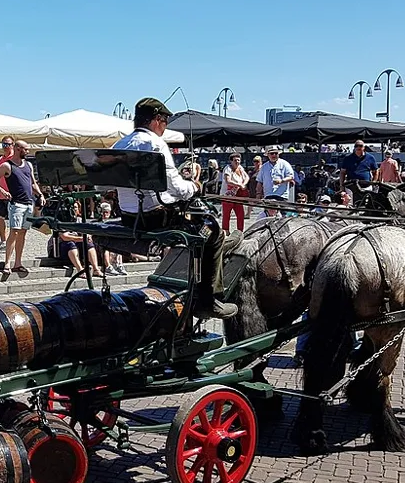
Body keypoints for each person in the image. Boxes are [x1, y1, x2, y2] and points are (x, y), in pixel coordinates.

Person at [110, 98, 237, 319]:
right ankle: (208, 299)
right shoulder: (156, 145)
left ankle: (220, 249)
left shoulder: (120, 145)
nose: (166, 126)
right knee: (212, 229)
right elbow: (177, 187)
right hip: (156, 218)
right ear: (157, 120)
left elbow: (107, 185)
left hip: (129, 216)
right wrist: (195, 186)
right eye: (166, 121)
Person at [0, 140, 44, 276]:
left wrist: (40, 194)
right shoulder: (6, 166)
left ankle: (18, 263)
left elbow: (32, 183)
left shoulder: (29, 165)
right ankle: (7, 263)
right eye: (26, 149)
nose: (28, 152)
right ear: (18, 149)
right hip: (16, 204)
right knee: (14, 232)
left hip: (28, 203)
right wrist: (2, 191)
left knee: (23, 233)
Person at [0, 136, 15, 254]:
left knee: (14, 221)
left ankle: (12, 243)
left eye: (8, 144)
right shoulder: (0, 160)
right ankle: (3, 241)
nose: (5, 147)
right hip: (1, 193)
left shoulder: (15, 158)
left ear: (13, 145)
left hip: (14, 194)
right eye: (3, 144)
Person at [257, 144, 295, 216]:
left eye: (276, 153)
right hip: (268, 195)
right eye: (272, 153)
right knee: (268, 216)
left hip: (281, 195)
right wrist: (258, 194)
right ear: (268, 155)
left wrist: (281, 181)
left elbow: (291, 176)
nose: (274, 155)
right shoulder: (264, 167)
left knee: (283, 216)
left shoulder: (285, 164)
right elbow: (260, 181)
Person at [338, 140, 378, 205]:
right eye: (356, 146)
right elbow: (342, 173)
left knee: (366, 205)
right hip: (351, 187)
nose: (358, 147)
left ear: (364, 147)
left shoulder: (370, 158)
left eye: (360, 146)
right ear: (354, 147)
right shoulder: (348, 158)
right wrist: (341, 186)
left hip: (366, 187)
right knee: (351, 206)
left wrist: (373, 182)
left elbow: (375, 171)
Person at [220, 153, 249, 231]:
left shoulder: (240, 168)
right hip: (227, 195)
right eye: (235, 160)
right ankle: (226, 231)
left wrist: (243, 184)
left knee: (240, 214)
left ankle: (240, 231)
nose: (237, 162)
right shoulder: (227, 168)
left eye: (238, 160)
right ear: (231, 161)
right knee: (226, 215)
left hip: (237, 195)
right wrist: (239, 185)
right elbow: (228, 181)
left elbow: (247, 177)